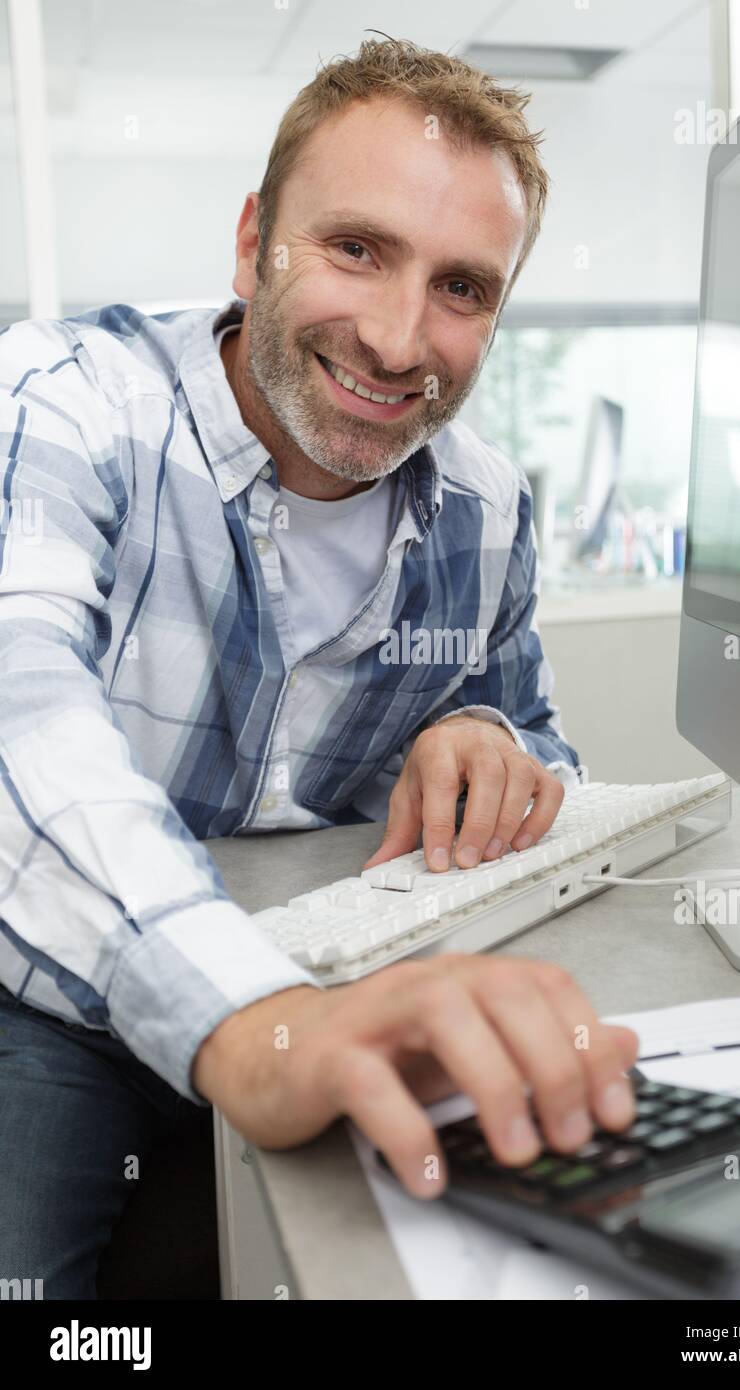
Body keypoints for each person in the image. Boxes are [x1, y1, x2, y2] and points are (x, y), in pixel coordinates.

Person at [0, 37, 637, 1298]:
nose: (401, 340)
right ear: (253, 244)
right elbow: (20, 711)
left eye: (462, 287)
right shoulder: (65, 404)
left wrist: (498, 750)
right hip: (60, 1004)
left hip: (336, 980)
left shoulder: (485, 507)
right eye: (356, 249)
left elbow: (542, 736)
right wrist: (251, 1026)